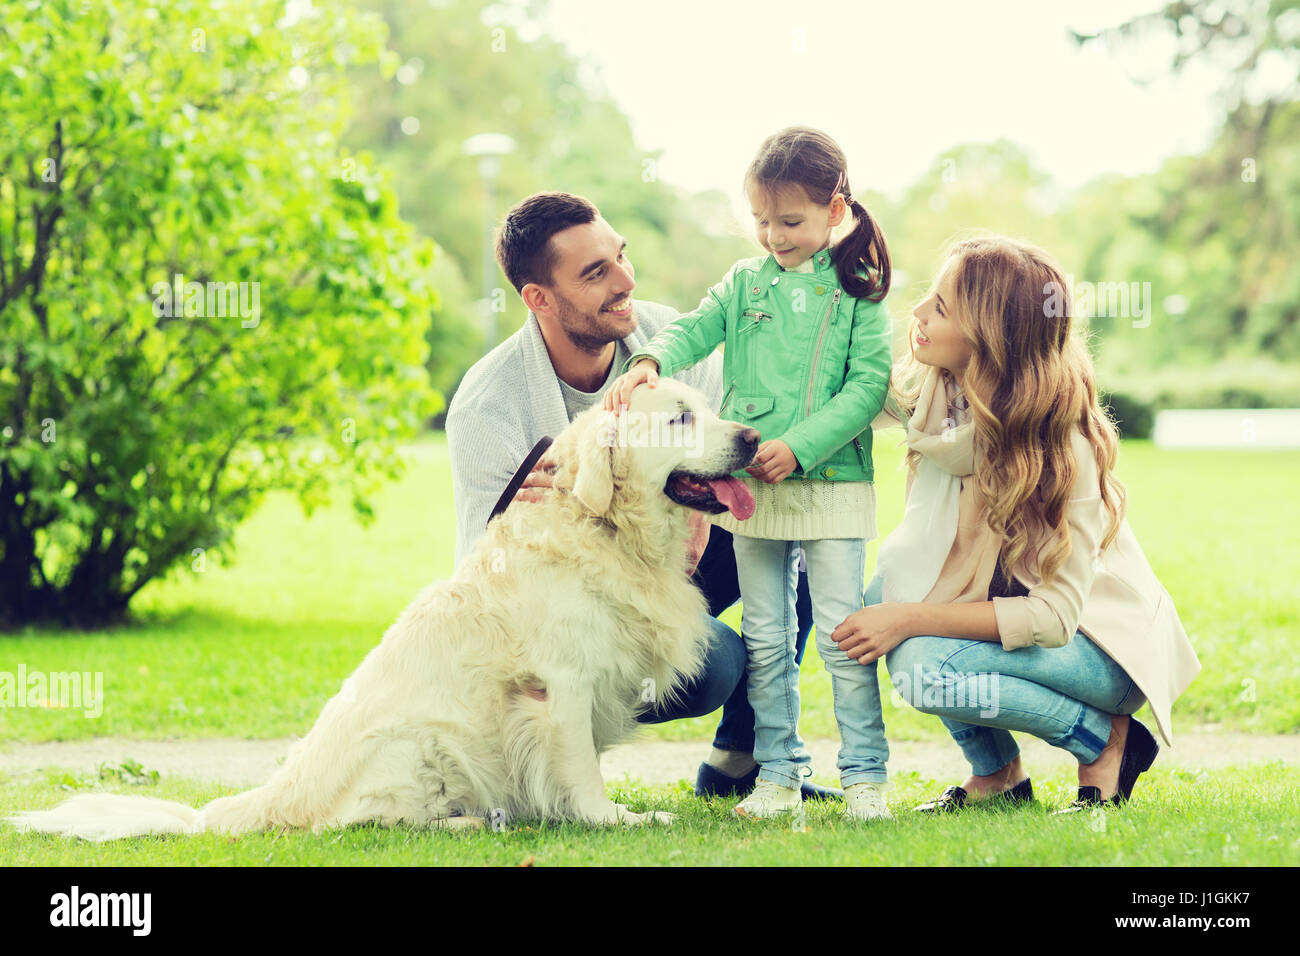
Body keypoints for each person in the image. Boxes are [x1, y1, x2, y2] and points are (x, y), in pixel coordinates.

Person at [444, 191, 834, 801]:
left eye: (619, 256)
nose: (624, 280)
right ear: (538, 298)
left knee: (802, 551)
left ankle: (740, 763)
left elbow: (716, 449)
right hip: (571, 596)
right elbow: (481, 569)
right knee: (716, 666)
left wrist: (695, 512)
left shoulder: (665, 336)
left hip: (673, 539)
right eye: (595, 273)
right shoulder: (488, 404)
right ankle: (573, 751)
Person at [830, 235, 1201, 813]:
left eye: (942, 308)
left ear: (991, 338)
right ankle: (1000, 776)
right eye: (928, 297)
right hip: (1022, 614)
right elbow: (845, 397)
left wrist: (906, 617)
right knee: (889, 593)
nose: (919, 315)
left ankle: (1106, 742)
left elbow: (1054, 618)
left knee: (926, 667)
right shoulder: (938, 392)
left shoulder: (1061, 447)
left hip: (1100, 648)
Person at [605, 128, 895, 821]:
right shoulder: (744, 282)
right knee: (767, 638)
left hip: (831, 488)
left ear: (836, 208)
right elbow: (695, 327)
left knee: (839, 636)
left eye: (789, 221)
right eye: (762, 221)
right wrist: (650, 361)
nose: (774, 236)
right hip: (756, 495)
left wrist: (799, 447)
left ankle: (865, 779)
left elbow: (866, 388)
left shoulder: (861, 292)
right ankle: (777, 774)